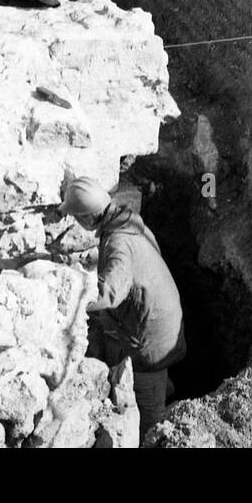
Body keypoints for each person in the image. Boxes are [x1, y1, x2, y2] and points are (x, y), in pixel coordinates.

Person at [60, 176, 186, 444]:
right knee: (138, 365)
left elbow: (109, 294)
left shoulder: (117, 242)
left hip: (152, 335)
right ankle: (164, 388)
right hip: (160, 315)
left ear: (86, 219)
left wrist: (69, 302)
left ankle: (157, 434)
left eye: (76, 218)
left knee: (148, 410)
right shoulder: (128, 220)